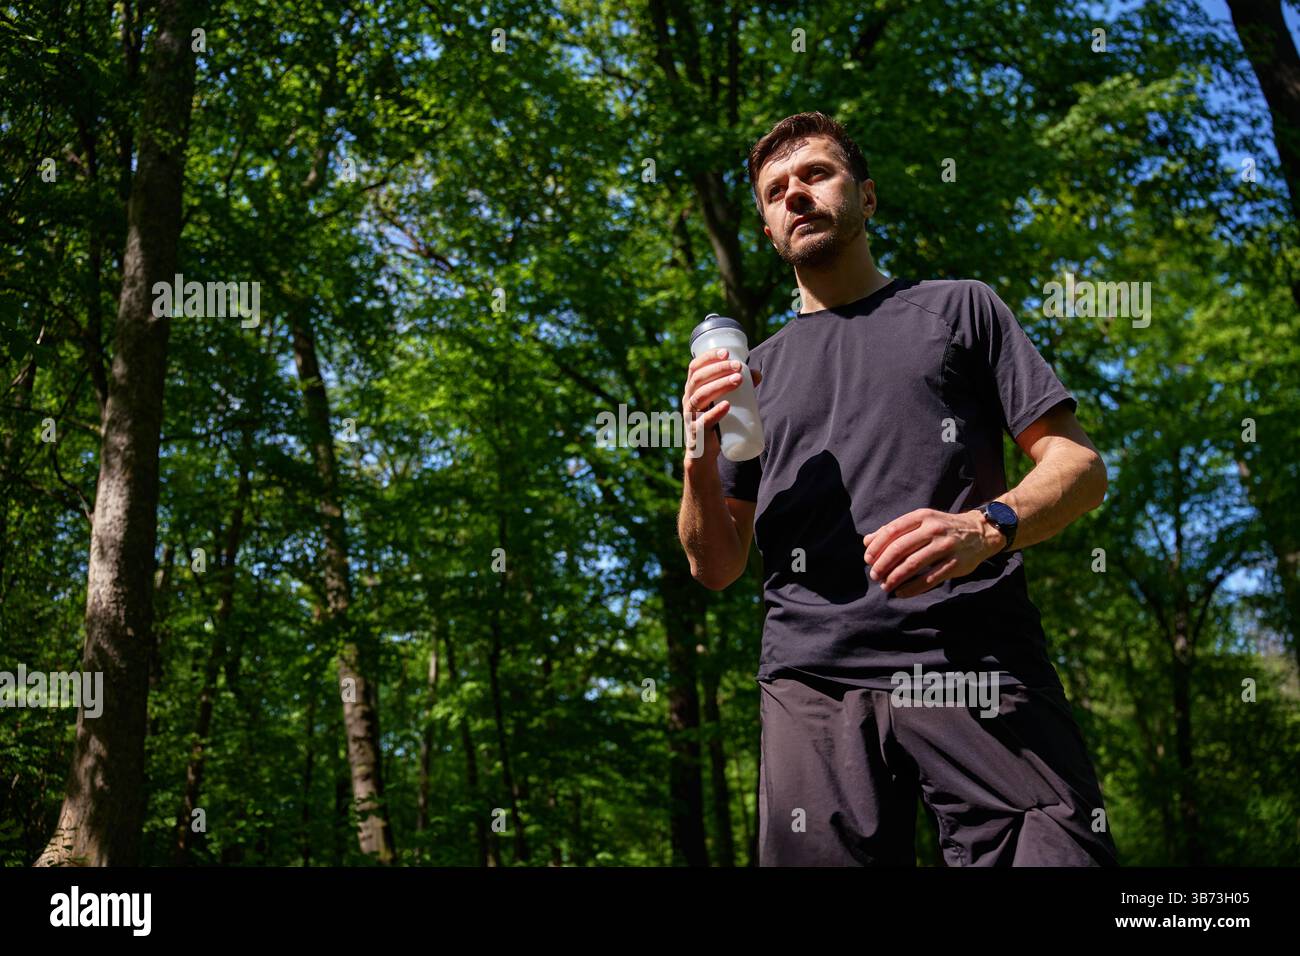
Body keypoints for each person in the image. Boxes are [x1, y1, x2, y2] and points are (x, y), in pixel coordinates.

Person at [676, 111, 1119, 867]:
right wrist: (697, 454)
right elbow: (715, 565)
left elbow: (1079, 468)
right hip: (811, 687)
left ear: (868, 197)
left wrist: (983, 528)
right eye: (776, 190)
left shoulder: (959, 310)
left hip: (974, 659)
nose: (797, 195)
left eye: (816, 174)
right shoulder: (757, 375)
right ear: (768, 229)